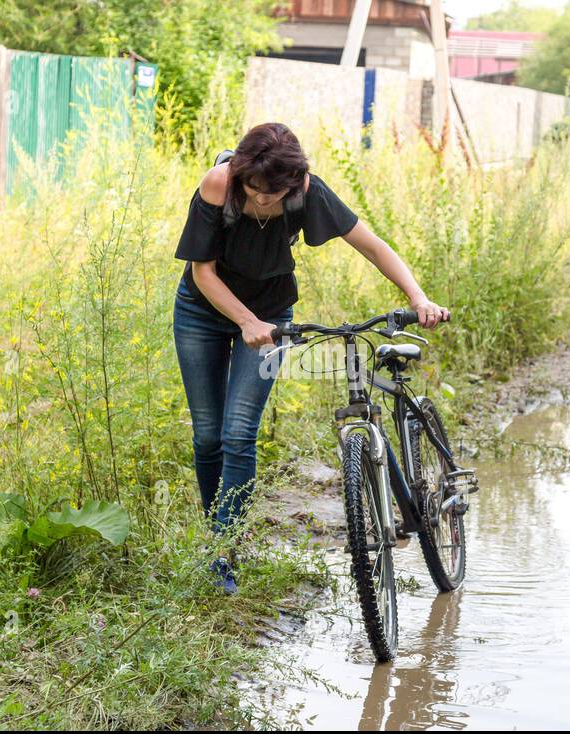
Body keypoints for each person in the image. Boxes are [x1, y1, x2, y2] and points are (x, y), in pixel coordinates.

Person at [172, 122, 450, 593]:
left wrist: (418, 296)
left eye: (273, 192)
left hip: (271, 316)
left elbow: (373, 246)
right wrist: (244, 321)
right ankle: (216, 535)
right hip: (202, 312)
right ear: (240, 173)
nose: (262, 200)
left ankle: (222, 554)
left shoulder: (307, 190)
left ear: (295, 181)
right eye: (254, 189)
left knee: (238, 433)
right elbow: (202, 271)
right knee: (206, 437)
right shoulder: (219, 183)